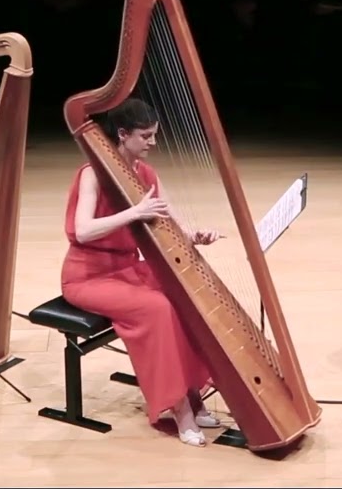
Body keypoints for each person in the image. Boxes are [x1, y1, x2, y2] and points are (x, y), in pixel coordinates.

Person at [60, 97, 223, 446]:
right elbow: (84, 229)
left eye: (154, 135)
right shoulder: (92, 173)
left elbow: (170, 225)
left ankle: (193, 392)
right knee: (158, 308)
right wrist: (135, 212)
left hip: (127, 268)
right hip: (87, 276)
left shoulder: (147, 175)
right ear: (122, 134)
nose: (153, 142)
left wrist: (196, 236)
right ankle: (180, 410)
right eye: (146, 135)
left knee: (182, 295)